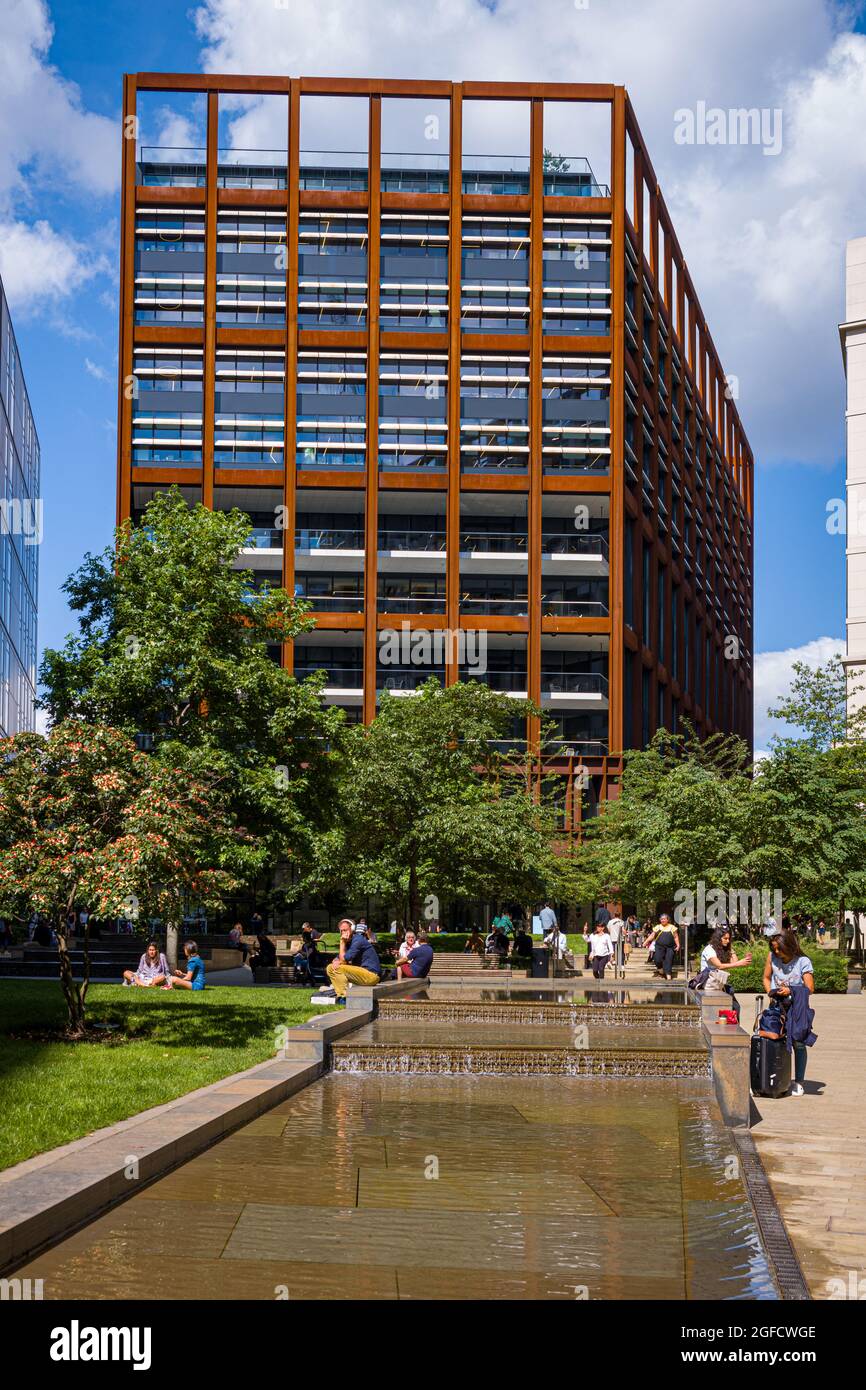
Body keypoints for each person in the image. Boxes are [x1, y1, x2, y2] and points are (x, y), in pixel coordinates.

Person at [762, 928, 816, 1097]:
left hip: (796, 1008)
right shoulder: (772, 957)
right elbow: (766, 978)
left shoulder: (803, 961)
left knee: (798, 1043)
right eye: (774, 948)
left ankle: (799, 1082)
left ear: (790, 945)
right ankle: (772, 1077)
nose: (777, 952)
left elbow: (810, 988)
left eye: (779, 948)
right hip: (776, 1005)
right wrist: (771, 992)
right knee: (771, 1038)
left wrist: (791, 990)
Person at [322, 918, 381, 1005]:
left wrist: (342, 942)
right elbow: (338, 958)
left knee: (336, 968)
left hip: (371, 975)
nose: (343, 933)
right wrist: (336, 960)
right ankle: (342, 996)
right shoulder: (349, 942)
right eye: (341, 931)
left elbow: (344, 960)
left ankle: (344, 998)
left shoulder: (358, 940)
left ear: (352, 929)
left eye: (345, 930)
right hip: (362, 974)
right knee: (330, 968)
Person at [697, 927, 752, 994]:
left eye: (729, 939)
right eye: (725, 938)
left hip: (717, 983)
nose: (728, 941)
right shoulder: (709, 950)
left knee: (730, 990)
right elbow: (719, 966)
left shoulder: (721, 949)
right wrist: (740, 963)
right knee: (730, 991)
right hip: (708, 983)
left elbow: (735, 962)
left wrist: (730, 948)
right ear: (718, 939)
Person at [645, 913, 680, 980]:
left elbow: (676, 937)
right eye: (661, 919)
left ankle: (668, 977)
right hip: (659, 947)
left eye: (664, 919)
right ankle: (661, 971)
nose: (663, 920)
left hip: (670, 947)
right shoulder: (657, 927)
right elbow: (652, 935)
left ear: (667, 920)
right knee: (657, 959)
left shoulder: (672, 927)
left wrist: (678, 945)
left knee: (669, 960)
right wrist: (646, 942)